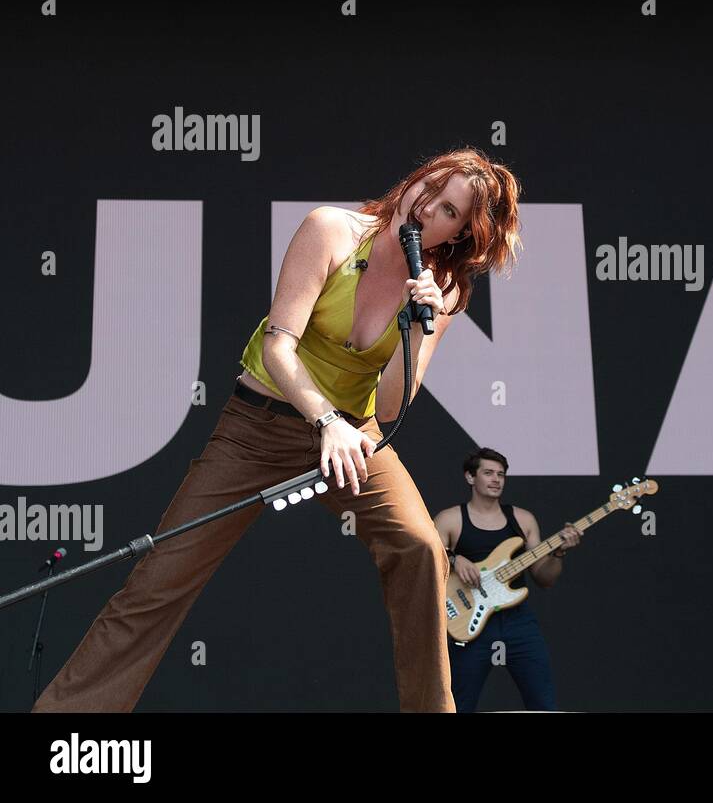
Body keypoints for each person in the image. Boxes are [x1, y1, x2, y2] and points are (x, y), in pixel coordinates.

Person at [33, 147, 522, 713]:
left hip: (352, 438)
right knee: (159, 580)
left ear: (460, 236)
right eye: (430, 189)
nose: (427, 207)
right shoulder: (332, 230)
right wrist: (327, 421)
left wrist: (416, 329)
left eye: (448, 211)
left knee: (418, 548)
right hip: (259, 427)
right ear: (414, 180)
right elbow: (278, 345)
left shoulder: (442, 289)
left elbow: (388, 408)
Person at [433, 448, 581, 711]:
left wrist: (558, 552)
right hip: (469, 623)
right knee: (458, 705)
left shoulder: (523, 520)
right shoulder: (450, 519)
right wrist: (455, 559)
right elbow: (425, 565)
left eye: (501, 474)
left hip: (517, 621)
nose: (496, 479)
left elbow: (544, 579)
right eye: (488, 473)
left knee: (543, 704)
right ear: (470, 477)